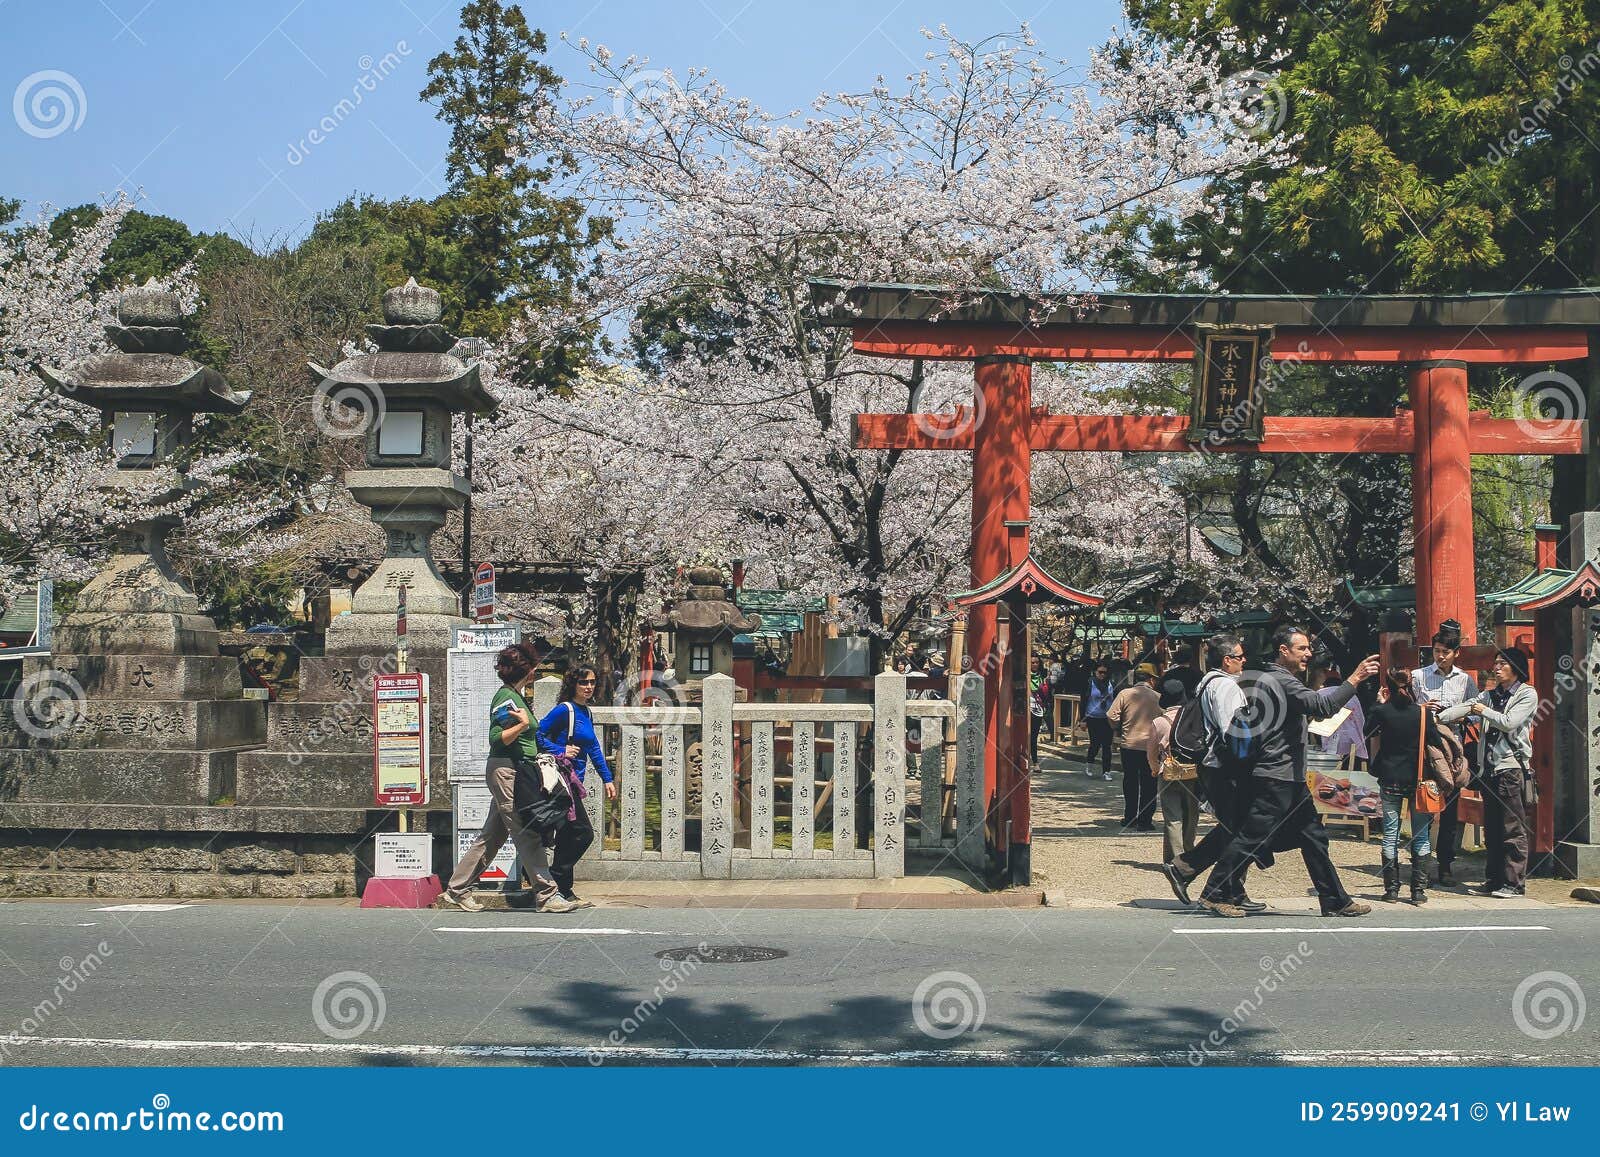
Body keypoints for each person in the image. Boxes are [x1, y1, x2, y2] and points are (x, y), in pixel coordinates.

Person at [1198, 626, 1381, 919]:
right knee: (1251, 836)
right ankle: (1215, 891)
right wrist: (1356, 676)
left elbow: (1316, 708)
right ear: (1284, 651)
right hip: (1276, 773)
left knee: (1314, 836)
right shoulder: (1280, 680)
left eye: (1308, 648)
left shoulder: (1279, 679)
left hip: (1288, 774)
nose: (1308, 653)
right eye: (1302, 649)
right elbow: (1323, 704)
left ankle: (1334, 899)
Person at [436, 644, 573, 914]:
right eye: (533, 666)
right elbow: (497, 738)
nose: (536, 670)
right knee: (525, 830)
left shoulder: (516, 696)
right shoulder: (505, 699)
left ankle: (458, 889)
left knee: (492, 835)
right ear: (527, 670)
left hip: (514, 771)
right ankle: (547, 894)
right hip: (506, 771)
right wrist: (523, 724)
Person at [1161, 634, 1259, 908]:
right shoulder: (1226, 687)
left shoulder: (1207, 683)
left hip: (1212, 765)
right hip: (1225, 766)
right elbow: (1233, 729)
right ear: (1227, 661)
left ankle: (1227, 887)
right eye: (1240, 657)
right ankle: (1195, 875)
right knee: (1241, 829)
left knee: (1236, 827)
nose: (1244, 661)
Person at [1438, 647, 1537, 898]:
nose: (1496, 667)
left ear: (1516, 668)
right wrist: (1435, 716)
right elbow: (1465, 707)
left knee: (1512, 828)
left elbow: (1509, 722)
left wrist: (1483, 711)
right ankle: (1494, 880)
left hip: (1511, 768)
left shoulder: (1527, 694)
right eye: (1496, 663)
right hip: (1488, 770)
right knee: (1492, 828)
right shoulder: (1489, 695)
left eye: (1503, 663)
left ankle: (1514, 883)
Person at [536, 666, 619, 909]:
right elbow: (538, 735)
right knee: (584, 833)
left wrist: (607, 778)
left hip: (574, 782)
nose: (589, 686)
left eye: (592, 682)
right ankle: (555, 879)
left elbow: (593, 747)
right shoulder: (565, 710)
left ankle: (564, 892)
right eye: (583, 682)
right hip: (560, 784)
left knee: (566, 835)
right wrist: (560, 751)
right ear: (573, 684)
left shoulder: (586, 712)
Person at [1364, 667, 1445, 903]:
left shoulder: (1382, 711)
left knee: (1390, 835)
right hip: (1417, 779)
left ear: (1387, 687)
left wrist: (1378, 703)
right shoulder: (1422, 714)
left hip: (1390, 779)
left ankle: (1391, 890)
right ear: (1412, 686)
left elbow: (1366, 731)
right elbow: (1435, 741)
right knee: (1420, 836)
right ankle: (1418, 891)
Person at [1411, 625, 1477, 886]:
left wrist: (1457, 714)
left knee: (1450, 808)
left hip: (1453, 750)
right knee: (1424, 805)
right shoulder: (1419, 676)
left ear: (1456, 653)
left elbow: (1474, 711)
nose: (1440, 656)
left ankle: (1446, 863)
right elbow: (1408, 709)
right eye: (1437, 651)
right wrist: (1423, 710)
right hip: (1426, 748)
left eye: (1446, 652)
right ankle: (1421, 864)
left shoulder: (1465, 680)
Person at [1147, 679, 1200, 863]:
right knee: (1191, 815)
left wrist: (1155, 769)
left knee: (1172, 816)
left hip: (1168, 771)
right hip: (1192, 771)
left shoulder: (1159, 722)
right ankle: (1190, 852)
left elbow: (1151, 751)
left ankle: (1176, 860)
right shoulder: (1193, 717)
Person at [1109, 664, 1163, 830]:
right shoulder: (1158, 696)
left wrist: (1117, 727)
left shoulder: (1125, 694)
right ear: (1151, 679)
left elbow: (1111, 716)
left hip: (1129, 744)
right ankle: (1145, 820)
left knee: (1130, 781)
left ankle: (1130, 817)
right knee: (1150, 783)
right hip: (1151, 746)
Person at [1309, 663, 1368, 764]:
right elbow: (1360, 720)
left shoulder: (1320, 694)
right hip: (1352, 741)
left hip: (1330, 741)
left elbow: (1315, 722)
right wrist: (1362, 740)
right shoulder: (1352, 696)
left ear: (1326, 682)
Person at [1083, 661, 1117, 780]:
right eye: (1100, 672)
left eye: (1105, 673)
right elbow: (1084, 701)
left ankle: (1106, 771)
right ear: (1095, 672)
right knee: (1095, 744)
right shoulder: (1090, 683)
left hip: (1107, 718)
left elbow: (1115, 699)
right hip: (1093, 717)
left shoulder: (1110, 683)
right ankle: (1089, 764)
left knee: (1107, 745)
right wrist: (1082, 719)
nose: (1103, 675)